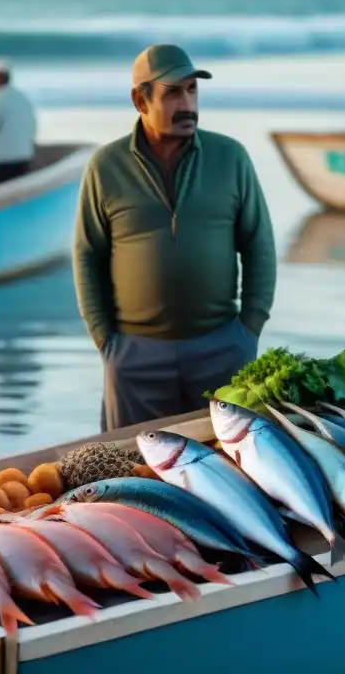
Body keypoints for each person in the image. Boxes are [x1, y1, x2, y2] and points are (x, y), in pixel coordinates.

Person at [73, 43, 277, 432]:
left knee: (231, 475)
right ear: (140, 100)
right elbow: (87, 255)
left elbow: (259, 246)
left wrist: (248, 330)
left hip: (222, 350)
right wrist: (106, 341)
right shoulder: (106, 166)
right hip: (135, 358)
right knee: (132, 478)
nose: (187, 104)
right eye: (172, 93)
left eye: (192, 90)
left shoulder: (230, 158)